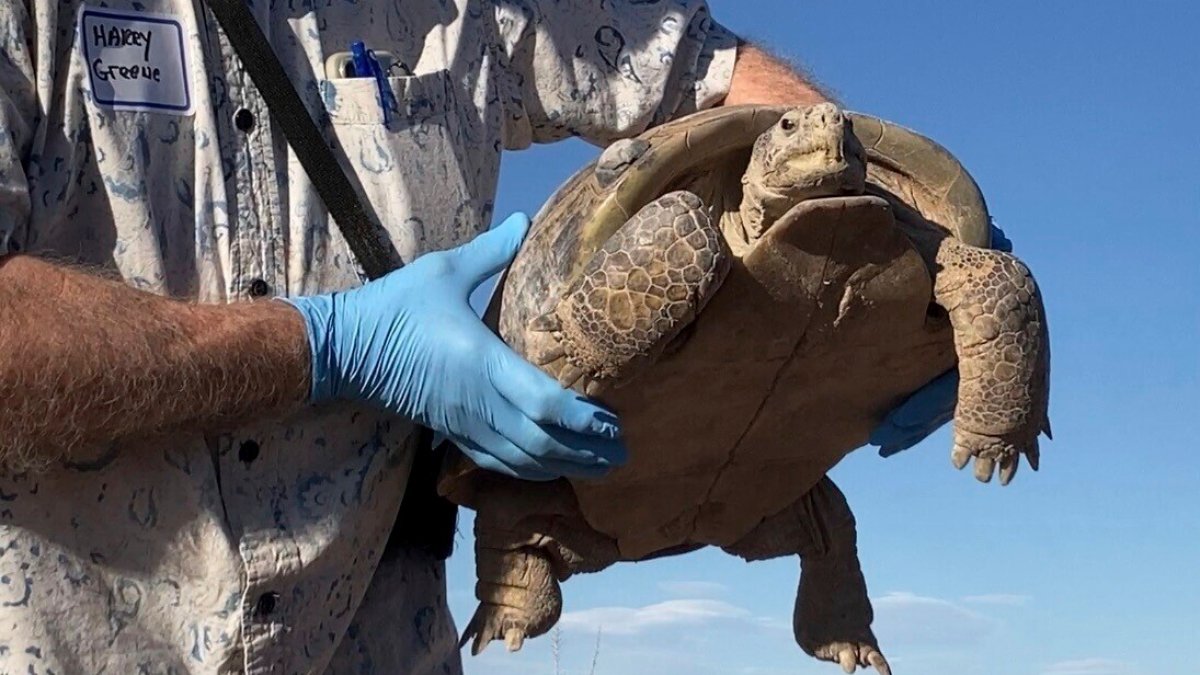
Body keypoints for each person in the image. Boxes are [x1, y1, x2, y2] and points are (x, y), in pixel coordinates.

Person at [0, 1, 981, 672]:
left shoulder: (461, 12)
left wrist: (921, 227)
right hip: (73, 634)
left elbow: (714, 75)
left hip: (377, 637)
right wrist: (328, 345)